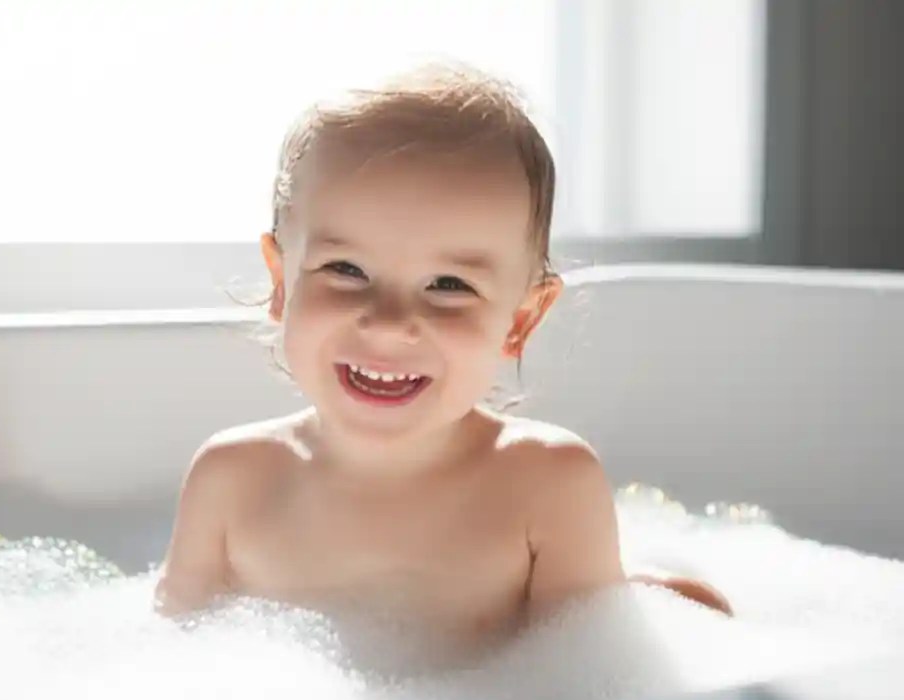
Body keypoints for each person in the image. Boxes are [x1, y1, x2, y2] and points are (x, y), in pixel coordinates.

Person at [154, 63, 730, 651]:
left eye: (449, 285)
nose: (389, 322)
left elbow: (590, 682)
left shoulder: (546, 485)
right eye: (346, 270)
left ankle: (647, 594)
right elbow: (173, 662)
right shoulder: (230, 479)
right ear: (281, 283)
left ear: (521, 320)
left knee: (667, 616)